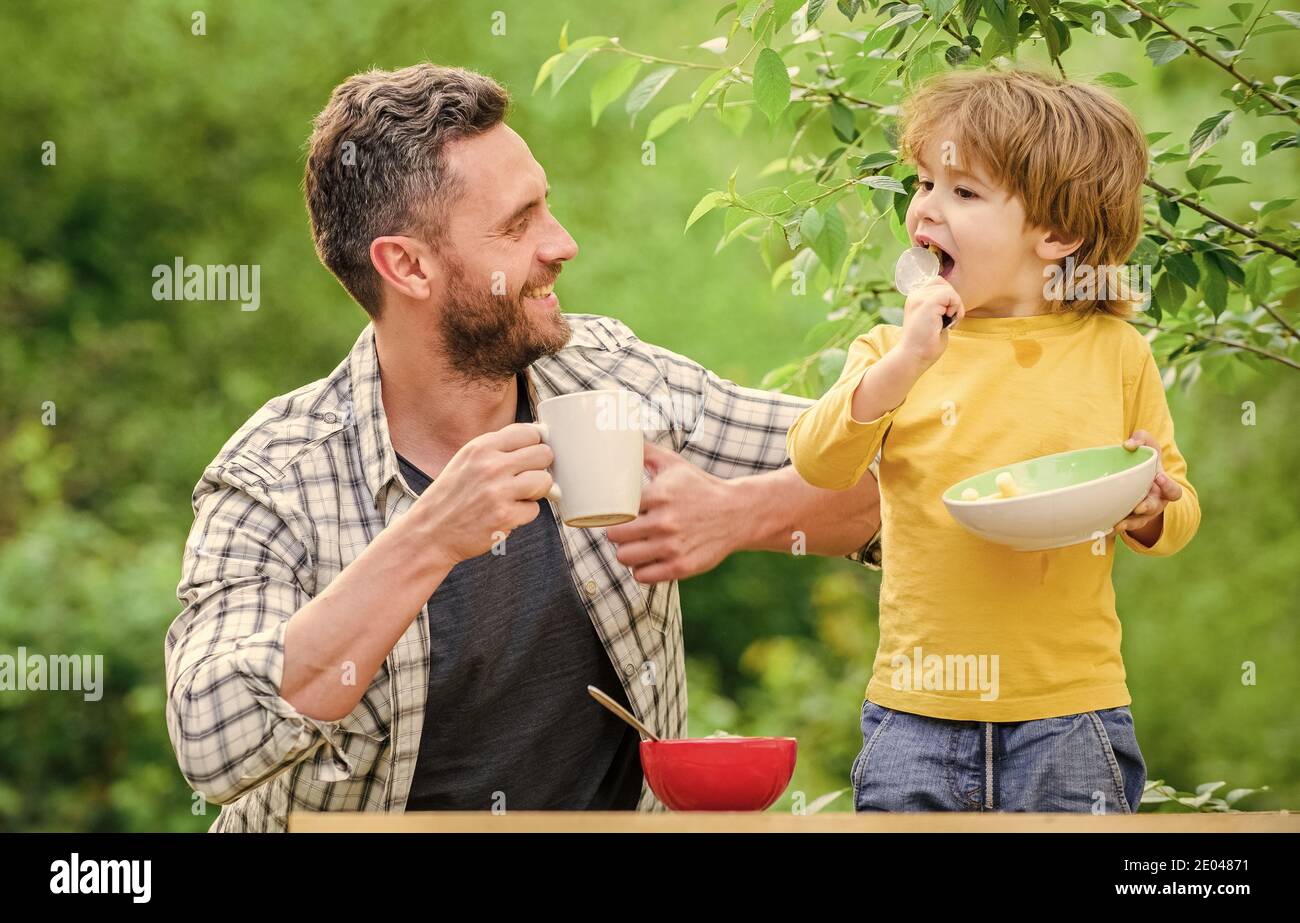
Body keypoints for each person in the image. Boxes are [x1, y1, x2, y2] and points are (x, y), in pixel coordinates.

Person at [165, 63, 883, 832]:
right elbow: (214, 740)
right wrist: (430, 537)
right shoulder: (278, 474)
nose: (561, 243)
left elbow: (895, 482)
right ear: (406, 265)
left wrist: (738, 514)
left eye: (547, 207)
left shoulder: (611, 379)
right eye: (518, 224)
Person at [786, 69, 1201, 813]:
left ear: (1057, 234)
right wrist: (905, 364)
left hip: (1069, 710)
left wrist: (1148, 509)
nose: (926, 212)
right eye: (922, 183)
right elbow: (818, 459)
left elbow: (1175, 507)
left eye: (964, 193)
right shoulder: (891, 348)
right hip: (916, 709)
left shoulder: (1115, 352)